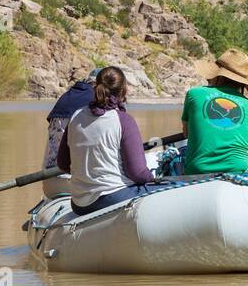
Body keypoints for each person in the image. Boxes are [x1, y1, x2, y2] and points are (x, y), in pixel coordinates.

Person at [56, 66, 166, 214]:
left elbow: (63, 163)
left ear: (95, 86)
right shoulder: (124, 121)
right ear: (124, 91)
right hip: (112, 199)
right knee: (168, 189)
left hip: (79, 204)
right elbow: (137, 174)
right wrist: (153, 179)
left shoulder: (75, 116)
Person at [181, 48, 248, 175]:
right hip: (238, 172)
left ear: (218, 76)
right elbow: (246, 144)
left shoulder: (194, 94)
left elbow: (187, 134)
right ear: (242, 83)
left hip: (198, 171)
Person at [40, 68, 99, 199]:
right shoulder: (96, 102)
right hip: (80, 183)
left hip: (49, 182)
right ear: (99, 86)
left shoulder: (66, 96)